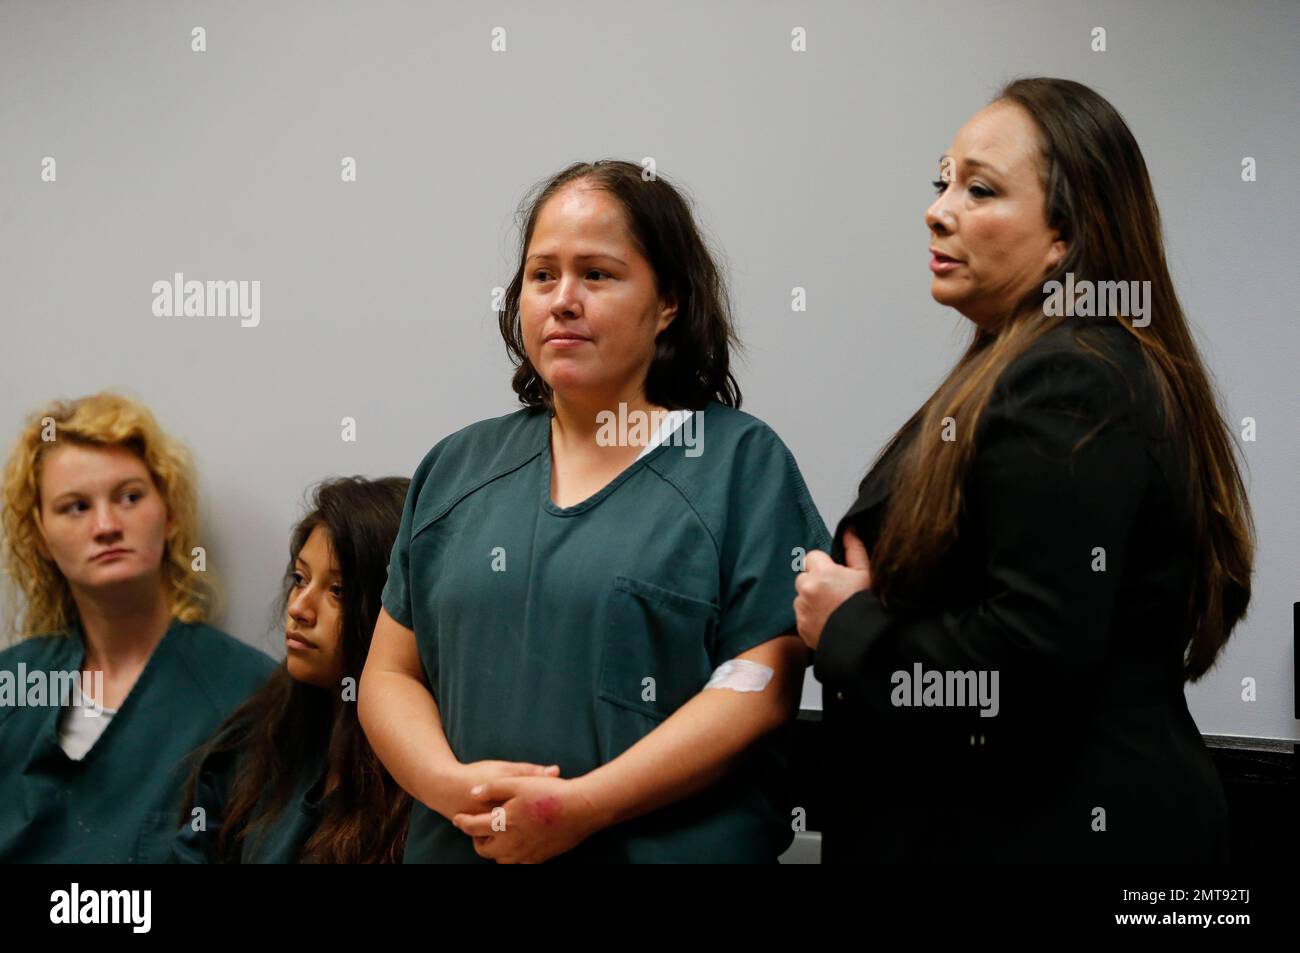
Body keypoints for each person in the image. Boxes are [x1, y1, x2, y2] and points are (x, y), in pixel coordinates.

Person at [795, 77, 1255, 863]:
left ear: (1065, 238)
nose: (938, 210)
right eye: (941, 182)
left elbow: (1023, 667)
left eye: (979, 189)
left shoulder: (1072, 378)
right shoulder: (1043, 364)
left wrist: (849, 627)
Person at [360, 159, 831, 863]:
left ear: (667, 301)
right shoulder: (458, 467)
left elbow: (760, 684)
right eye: (542, 275)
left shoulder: (739, 465)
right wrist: (449, 784)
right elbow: (389, 674)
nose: (563, 299)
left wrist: (584, 806)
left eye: (598, 274)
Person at [0, 392, 275, 862]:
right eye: (75, 507)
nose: (106, 525)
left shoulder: (247, 694)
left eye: (130, 497)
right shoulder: (14, 683)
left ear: (168, 514)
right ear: (41, 537)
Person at [172, 477, 412, 863]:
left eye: (338, 591)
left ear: (398, 608)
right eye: (300, 579)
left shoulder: (423, 788)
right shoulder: (257, 740)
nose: (300, 607)